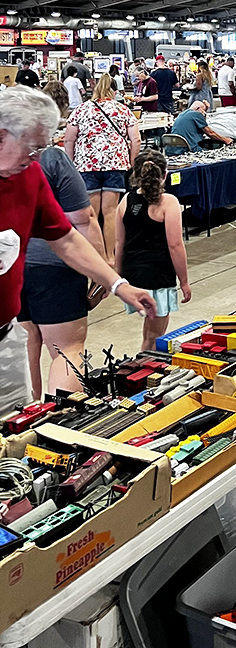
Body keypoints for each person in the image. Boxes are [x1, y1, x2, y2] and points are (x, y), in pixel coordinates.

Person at [0, 87, 156, 412]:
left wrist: (118, 283)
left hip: (6, 332)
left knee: (13, 425)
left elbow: (67, 238)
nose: (37, 158)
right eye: (32, 147)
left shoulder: (29, 175)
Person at [19, 147, 107, 397]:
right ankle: (60, 423)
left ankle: (24, 425)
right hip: (54, 265)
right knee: (66, 349)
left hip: (9, 266)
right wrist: (100, 273)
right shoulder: (50, 157)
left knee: (23, 350)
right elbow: (84, 218)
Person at [115, 150, 191, 350]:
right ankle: (145, 371)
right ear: (165, 175)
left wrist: (117, 279)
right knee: (154, 336)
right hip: (157, 276)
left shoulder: (125, 201)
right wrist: (184, 281)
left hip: (133, 274)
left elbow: (119, 243)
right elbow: (175, 246)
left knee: (150, 330)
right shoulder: (168, 202)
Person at [63, 73, 141, 260]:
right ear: (114, 91)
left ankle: (93, 258)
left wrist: (71, 164)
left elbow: (68, 139)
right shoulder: (123, 110)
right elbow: (136, 139)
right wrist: (130, 162)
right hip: (115, 165)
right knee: (110, 213)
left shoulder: (81, 110)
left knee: (90, 215)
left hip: (87, 166)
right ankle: (110, 257)